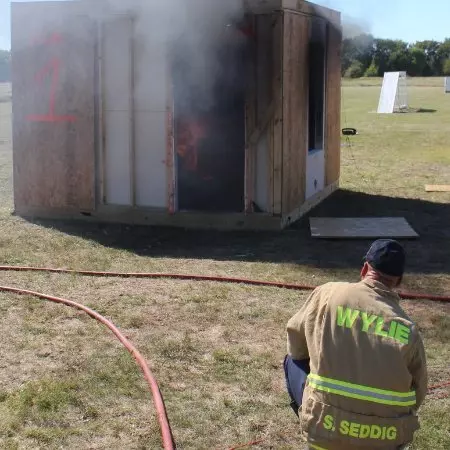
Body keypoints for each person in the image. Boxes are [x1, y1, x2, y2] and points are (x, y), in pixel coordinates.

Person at [284, 239, 428, 450]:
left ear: (364, 268)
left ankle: (311, 413)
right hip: (384, 440)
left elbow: (296, 345)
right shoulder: (408, 329)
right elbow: (418, 392)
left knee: (291, 361)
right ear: (398, 281)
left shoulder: (328, 293)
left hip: (325, 430)